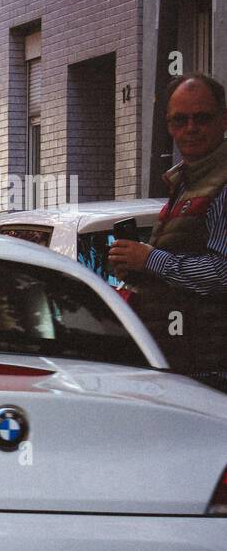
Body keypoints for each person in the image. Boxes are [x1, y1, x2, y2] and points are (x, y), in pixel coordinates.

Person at [111, 72, 227, 392]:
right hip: (184, 365)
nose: (191, 129)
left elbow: (222, 272)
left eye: (202, 118)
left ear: (223, 120)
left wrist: (151, 260)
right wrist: (137, 268)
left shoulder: (221, 184)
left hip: (211, 369)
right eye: (180, 120)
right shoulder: (186, 181)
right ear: (169, 125)